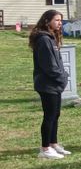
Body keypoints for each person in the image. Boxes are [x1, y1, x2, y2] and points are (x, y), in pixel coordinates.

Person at [30, 9, 69, 160]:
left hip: (54, 83)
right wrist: (62, 78)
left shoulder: (50, 37)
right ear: (47, 21)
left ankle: (53, 143)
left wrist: (62, 77)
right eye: (56, 20)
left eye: (60, 20)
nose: (60, 23)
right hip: (47, 84)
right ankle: (45, 148)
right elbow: (49, 66)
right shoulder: (44, 40)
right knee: (49, 115)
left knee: (56, 114)